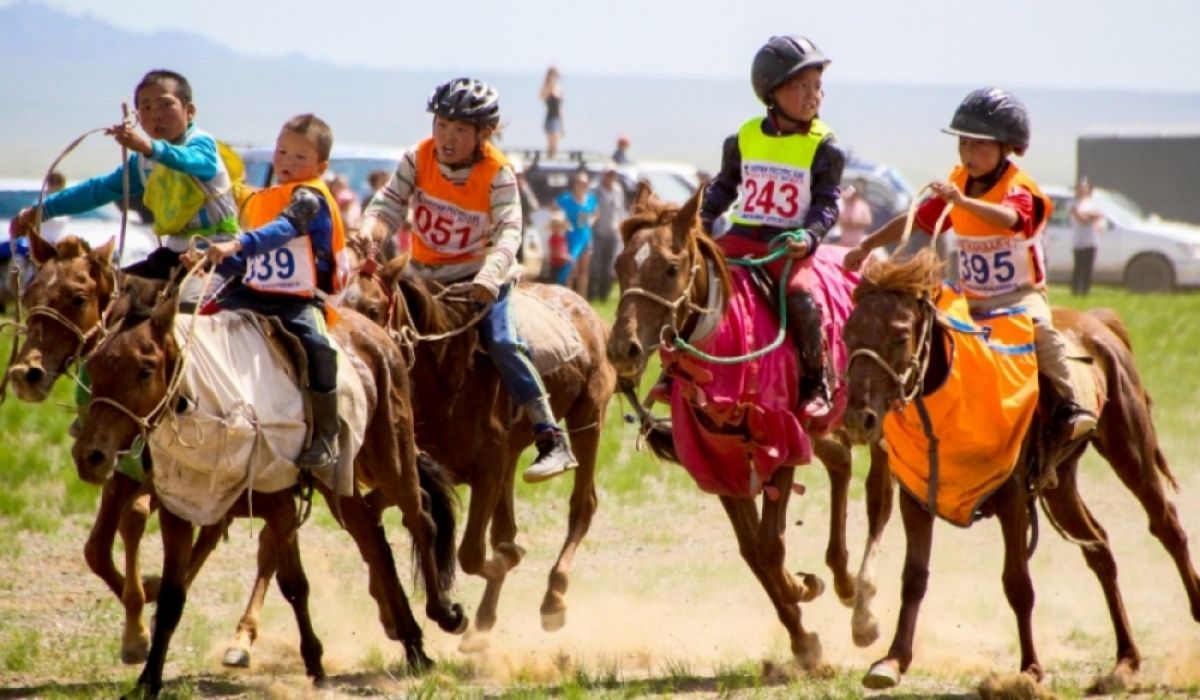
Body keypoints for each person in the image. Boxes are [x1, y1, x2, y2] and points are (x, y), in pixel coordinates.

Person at [355, 77, 578, 483]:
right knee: (369, 328)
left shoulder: (498, 172)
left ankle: (550, 435)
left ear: (483, 134)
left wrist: (491, 276)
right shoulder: (416, 158)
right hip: (422, 279)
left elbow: (510, 230)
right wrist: (370, 229)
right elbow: (388, 204)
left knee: (505, 342)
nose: (446, 137)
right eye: (441, 125)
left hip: (478, 280)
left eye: (459, 129)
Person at [844, 87, 1098, 445]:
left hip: (1019, 296)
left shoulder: (1018, 188)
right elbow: (914, 221)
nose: (969, 154)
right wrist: (867, 244)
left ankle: (1068, 407)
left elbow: (1009, 218)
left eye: (980, 145)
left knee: (1043, 331)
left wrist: (961, 202)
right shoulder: (958, 185)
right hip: (971, 298)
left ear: (1007, 147)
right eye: (964, 144)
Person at [686, 35, 847, 417]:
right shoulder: (743, 136)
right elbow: (725, 186)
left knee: (802, 298)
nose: (814, 96)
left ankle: (816, 381)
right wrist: (702, 221)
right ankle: (676, 368)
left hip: (786, 244)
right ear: (771, 92)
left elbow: (827, 203)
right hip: (741, 236)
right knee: (692, 281)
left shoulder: (826, 146)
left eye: (818, 87)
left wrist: (808, 237)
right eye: (802, 86)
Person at [196, 113, 351, 472]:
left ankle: (326, 434)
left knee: (320, 347)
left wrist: (237, 244)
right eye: (282, 152)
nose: (287, 162)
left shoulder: (309, 198)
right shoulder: (258, 199)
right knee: (199, 322)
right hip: (250, 292)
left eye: (300, 156)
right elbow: (254, 262)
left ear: (320, 166)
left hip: (296, 299)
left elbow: (283, 230)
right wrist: (211, 260)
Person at [9, 69, 239, 280]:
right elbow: (98, 190)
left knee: (187, 313)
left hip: (217, 252)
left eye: (165, 105)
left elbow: (193, 162)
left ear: (190, 112)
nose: (156, 114)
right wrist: (43, 210)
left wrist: (149, 147)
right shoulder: (142, 162)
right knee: (107, 292)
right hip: (174, 254)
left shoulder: (201, 144)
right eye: (147, 108)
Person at [554, 170, 598, 297]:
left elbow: (596, 212)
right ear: (575, 184)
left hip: (586, 237)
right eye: (580, 182)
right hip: (571, 237)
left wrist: (592, 221)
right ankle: (569, 297)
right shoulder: (566, 198)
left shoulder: (591, 199)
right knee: (571, 268)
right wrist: (562, 221)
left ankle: (582, 298)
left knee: (584, 270)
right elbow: (553, 207)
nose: (583, 185)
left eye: (585, 182)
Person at [589, 168, 626, 301]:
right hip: (597, 233)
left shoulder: (618, 190)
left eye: (613, 174)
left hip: (613, 233)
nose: (611, 177)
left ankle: (604, 296)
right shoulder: (595, 190)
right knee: (595, 266)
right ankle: (591, 295)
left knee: (609, 266)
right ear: (603, 174)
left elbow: (620, 210)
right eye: (608, 174)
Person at [1069, 178, 1104, 296]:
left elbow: (1099, 214)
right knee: (1079, 267)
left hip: (1092, 239)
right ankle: (1075, 291)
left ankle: (1085, 291)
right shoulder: (1072, 203)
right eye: (1080, 188)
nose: (1082, 190)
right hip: (1079, 241)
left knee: (1088, 268)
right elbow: (1081, 220)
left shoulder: (1092, 202)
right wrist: (1090, 216)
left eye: (1085, 188)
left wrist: (1088, 216)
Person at [834, 178, 873, 247]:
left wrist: (855, 224)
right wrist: (847, 224)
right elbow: (838, 220)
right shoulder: (842, 204)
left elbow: (868, 222)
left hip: (856, 240)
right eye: (853, 193)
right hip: (840, 239)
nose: (853, 195)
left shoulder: (863, 206)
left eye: (856, 194)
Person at [540, 67, 564, 159]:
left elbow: (560, 109)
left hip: (557, 118)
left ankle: (552, 161)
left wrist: (562, 125)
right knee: (551, 145)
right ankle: (549, 161)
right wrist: (549, 84)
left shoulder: (558, 89)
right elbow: (541, 97)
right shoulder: (547, 88)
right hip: (550, 118)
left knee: (555, 145)